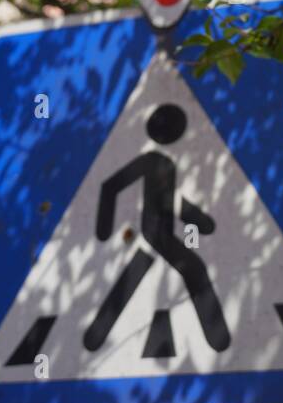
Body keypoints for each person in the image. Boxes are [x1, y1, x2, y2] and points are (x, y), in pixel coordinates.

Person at [85, 103, 230, 352]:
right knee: (192, 268)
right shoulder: (152, 161)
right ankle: (219, 339)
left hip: (161, 233)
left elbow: (171, 199)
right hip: (155, 234)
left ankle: (94, 337)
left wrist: (199, 221)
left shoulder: (164, 162)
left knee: (138, 276)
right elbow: (112, 187)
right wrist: (103, 228)